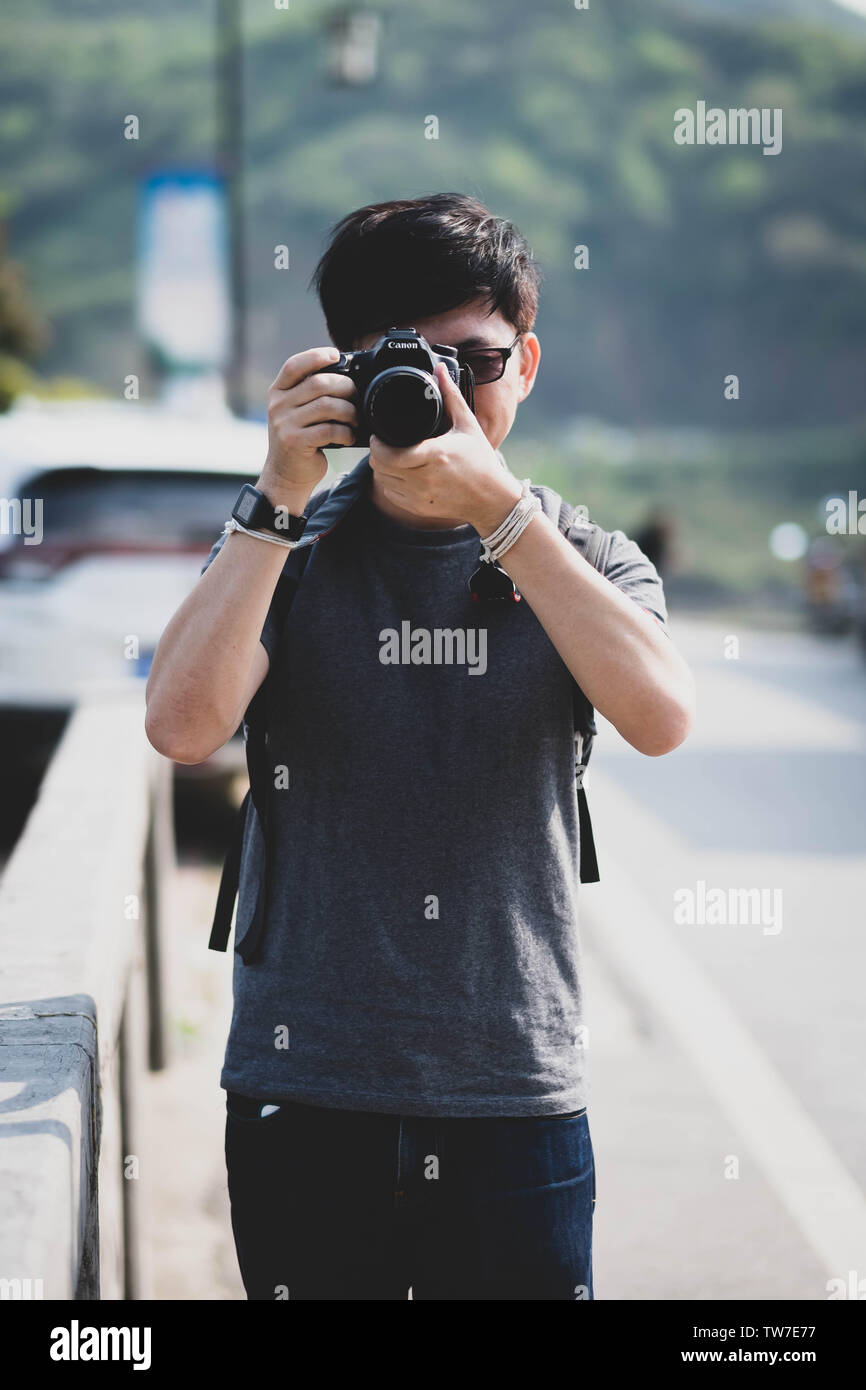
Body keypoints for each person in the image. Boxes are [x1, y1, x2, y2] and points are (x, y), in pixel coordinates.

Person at [144, 192, 695, 1301]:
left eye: (474, 363)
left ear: (526, 363)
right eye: (401, 363)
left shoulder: (579, 555)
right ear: (337, 376)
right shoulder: (285, 549)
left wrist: (503, 519)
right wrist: (277, 494)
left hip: (512, 1093)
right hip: (304, 1090)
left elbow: (659, 717)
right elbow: (183, 726)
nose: (441, 395)